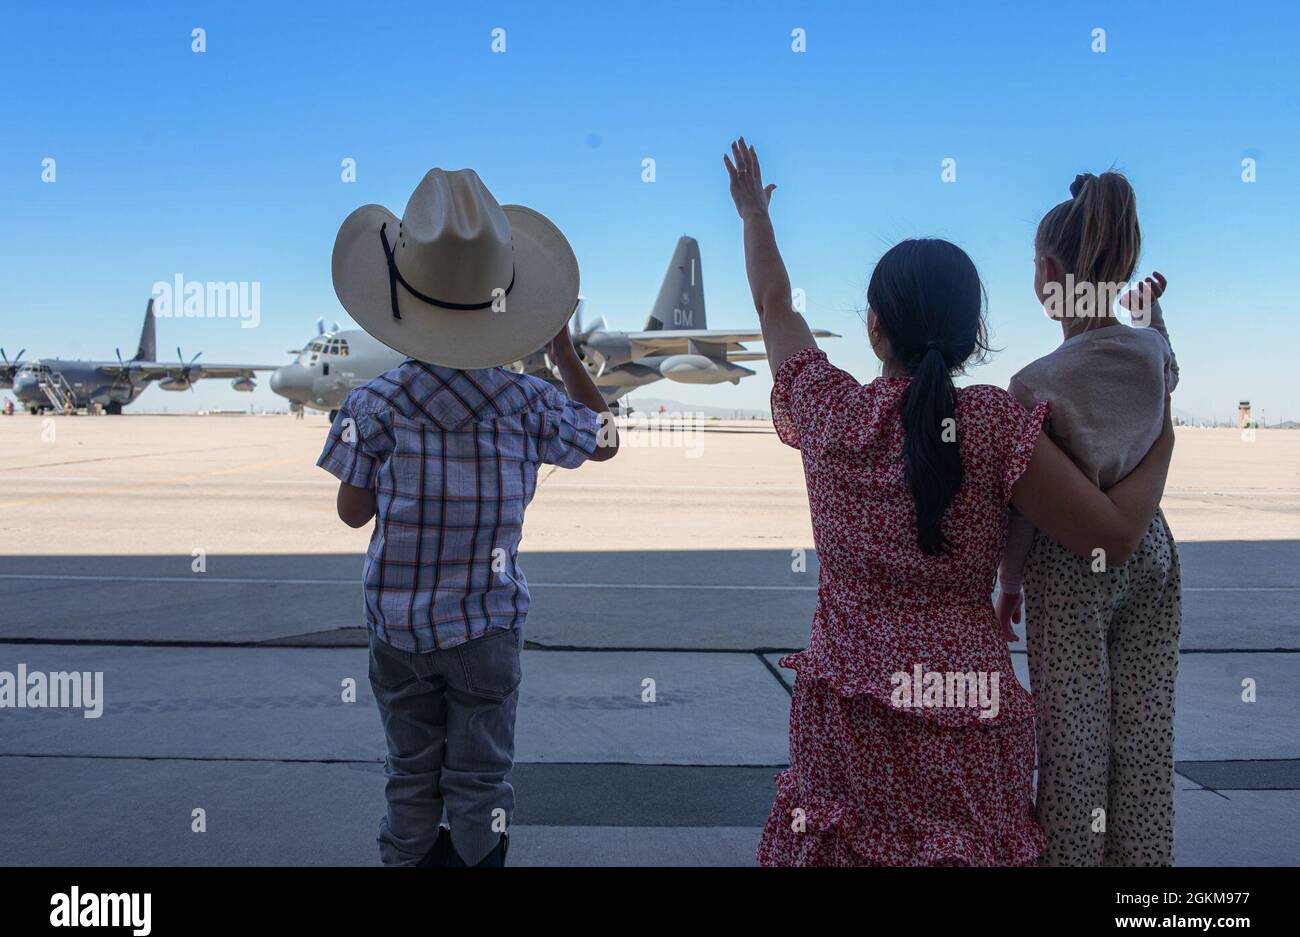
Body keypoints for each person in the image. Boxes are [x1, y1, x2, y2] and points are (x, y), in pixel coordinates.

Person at [723, 138, 1175, 866]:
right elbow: (1116, 537)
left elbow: (773, 302)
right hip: (967, 709)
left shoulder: (830, 412)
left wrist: (752, 215)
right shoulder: (997, 425)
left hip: (847, 706)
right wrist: (1165, 440)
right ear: (974, 337)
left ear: (874, 327)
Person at [318, 168, 618, 867]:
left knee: (409, 774)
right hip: (486, 627)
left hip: (398, 630)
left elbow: (350, 513)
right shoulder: (526, 403)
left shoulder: (372, 404)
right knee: (482, 781)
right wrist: (562, 349)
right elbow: (604, 441)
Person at [995, 172, 1181, 865]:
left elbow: (1027, 502)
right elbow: (1169, 373)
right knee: (1144, 734)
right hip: (1154, 555)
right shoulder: (1150, 354)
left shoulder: (1035, 383)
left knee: (1074, 743)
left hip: (1071, 569)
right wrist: (1153, 315)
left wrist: (1009, 583)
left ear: (1048, 272)